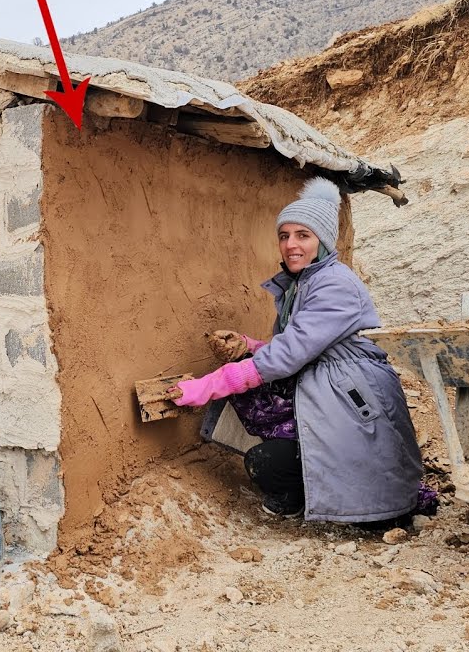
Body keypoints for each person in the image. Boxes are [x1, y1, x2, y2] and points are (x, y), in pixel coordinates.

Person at [169, 177, 437, 525]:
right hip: (333, 391)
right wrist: (249, 346)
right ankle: (320, 489)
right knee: (261, 406)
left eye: (303, 236)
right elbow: (305, 345)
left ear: (322, 240)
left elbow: (289, 355)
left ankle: (352, 507)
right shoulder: (306, 282)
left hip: (352, 401)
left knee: (266, 463)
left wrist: (207, 385)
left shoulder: (334, 284)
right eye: (285, 235)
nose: (291, 245)